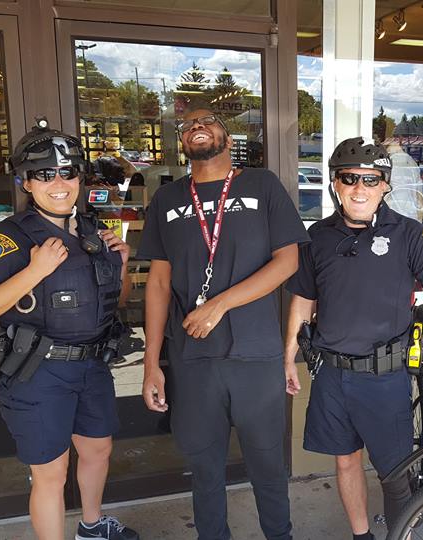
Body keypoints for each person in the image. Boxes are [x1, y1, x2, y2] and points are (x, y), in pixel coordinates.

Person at [284, 137, 423, 539]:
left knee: (395, 476)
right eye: (349, 178)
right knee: (346, 462)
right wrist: (288, 356)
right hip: (331, 375)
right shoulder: (316, 238)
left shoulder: (409, 235)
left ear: (385, 185)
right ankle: (361, 535)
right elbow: (303, 299)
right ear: (335, 183)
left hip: (384, 377)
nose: (359, 189)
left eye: (370, 180)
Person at [0, 118, 138, 540]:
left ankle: (92, 527)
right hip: (37, 371)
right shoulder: (7, 239)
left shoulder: (96, 232)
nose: (57, 182)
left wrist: (124, 264)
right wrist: (35, 270)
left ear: (79, 176)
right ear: (25, 182)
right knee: (51, 473)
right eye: (43, 174)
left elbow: (119, 299)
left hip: (93, 365)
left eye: (67, 171)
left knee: (98, 449)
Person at [139, 107, 307, 540]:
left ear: (228, 140)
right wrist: (151, 363)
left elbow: (288, 261)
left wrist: (219, 305)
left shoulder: (262, 185)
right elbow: (158, 284)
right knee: (205, 469)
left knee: (268, 467)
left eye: (208, 121)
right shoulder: (168, 199)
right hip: (192, 359)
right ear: (182, 143)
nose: (197, 126)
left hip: (255, 355)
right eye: (188, 124)